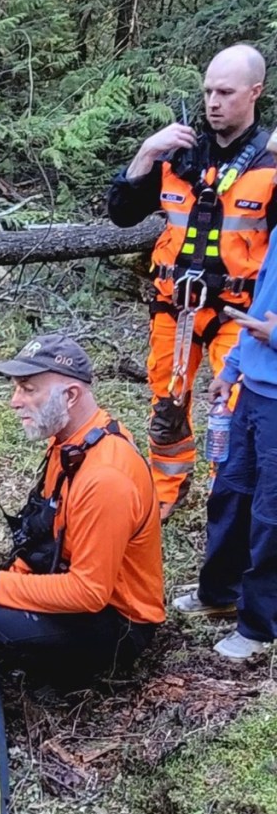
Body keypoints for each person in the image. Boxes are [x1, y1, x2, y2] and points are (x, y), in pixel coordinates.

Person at [106, 44, 277, 520]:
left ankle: (228, 495)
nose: (213, 102)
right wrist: (145, 152)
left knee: (234, 409)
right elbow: (121, 214)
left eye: (225, 92)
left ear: (255, 93)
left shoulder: (270, 162)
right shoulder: (176, 152)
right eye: (207, 92)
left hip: (237, 313)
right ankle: (166, 489)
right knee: (166, 401)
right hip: (174, 305)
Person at [0, 335, 165, 683]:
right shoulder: (70, 445)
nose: (14, 401)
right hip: (79, 585)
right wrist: (10, 575)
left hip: (121, 621)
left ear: (70, 396)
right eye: (16, 388)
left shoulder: (105, 477)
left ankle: (78, 677)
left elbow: (89, 592)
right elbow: (44, 530)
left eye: (28, 389)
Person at [171, 236, 277, 660]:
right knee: (230, 495)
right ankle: (219, 592)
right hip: (251, 393)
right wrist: (233, 367)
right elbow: (258, 303)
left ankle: (259, 626)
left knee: (271, 516)